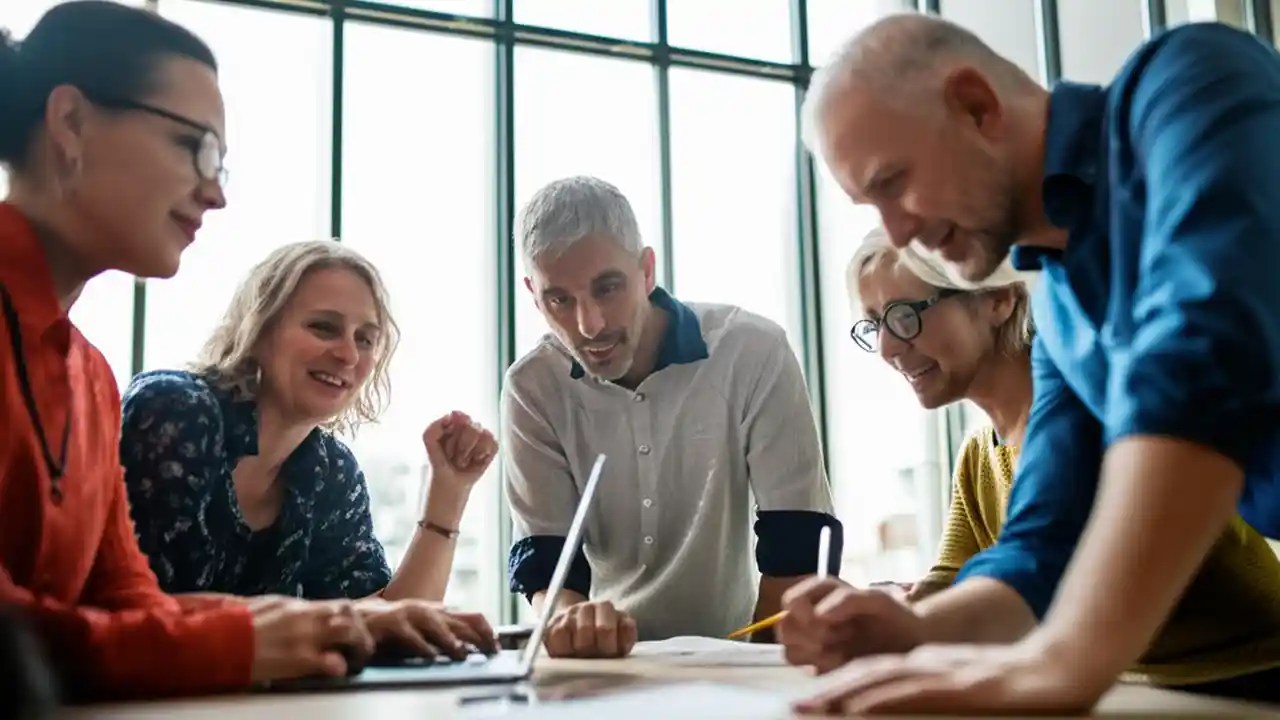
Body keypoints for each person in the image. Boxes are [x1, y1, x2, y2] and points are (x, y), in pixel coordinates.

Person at [782, 13, 1280, 715]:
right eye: (871, 204)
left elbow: (1207, 341)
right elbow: (1041, 543)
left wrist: (1066, 657)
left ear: (977, 106)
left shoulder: (1192, 80)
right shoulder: (1065, 316)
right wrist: (919, 627)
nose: (896, 232)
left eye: (893, 181)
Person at [0, 1, 375, 699]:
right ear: (71, 123)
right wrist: (240, 639)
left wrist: (318, 623)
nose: (214, 193)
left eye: (221, 164)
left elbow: (125, 603)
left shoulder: (91, 377)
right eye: (193, 147)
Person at [825, 226, 1280, 691]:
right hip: (1133, 688)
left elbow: (1048, 576)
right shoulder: (980, 455)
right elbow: (955, 578)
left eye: (904, 316)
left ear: (998, 298)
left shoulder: (1100, 412)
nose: (886, 347)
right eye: (873, 324)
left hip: (1246, 678)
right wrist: (883, 607)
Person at [503, 176, 842, 658]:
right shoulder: (531, 387)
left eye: (608, 287)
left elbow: (799, 544)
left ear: (646, 271)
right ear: (533, 294)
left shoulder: (753, 350)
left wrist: (758, 673)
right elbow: (547, 564)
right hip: (606, 669)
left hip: (741, 654)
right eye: (560, 299)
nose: (589, 324)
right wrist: (571, 626)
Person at [121, 240, 499, 659]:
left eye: (366, 339)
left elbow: (389, 623)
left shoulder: (330, 470)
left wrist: (449, 491)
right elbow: (131, 609)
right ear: (259, 329)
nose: (348, 353)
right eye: (323, 327)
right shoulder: (176, 412)